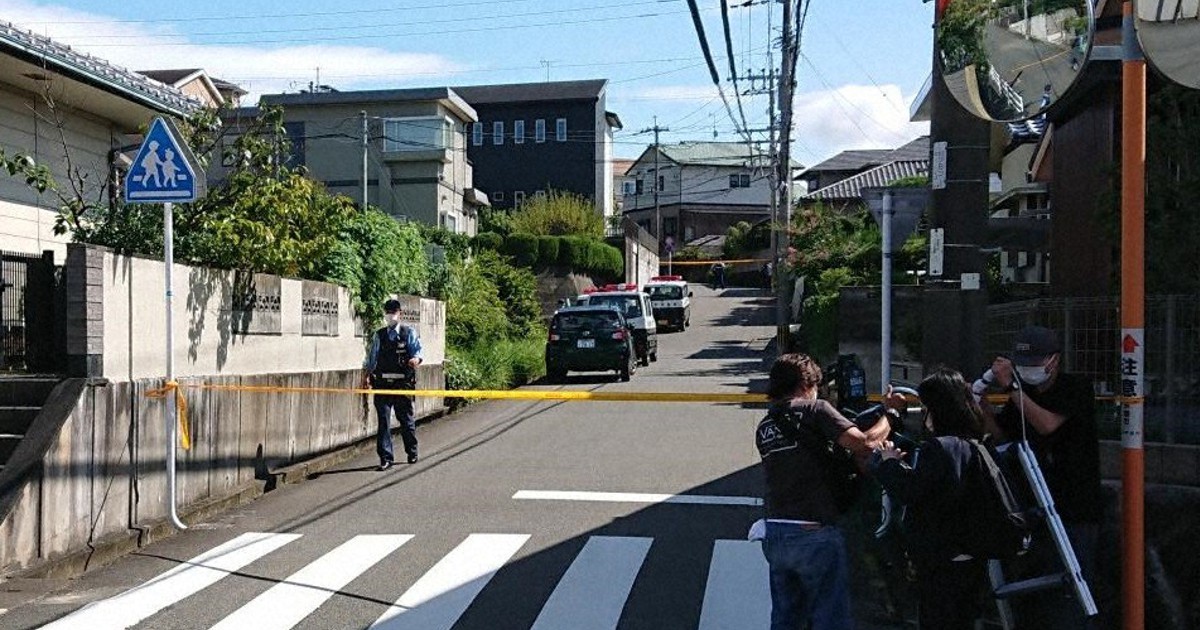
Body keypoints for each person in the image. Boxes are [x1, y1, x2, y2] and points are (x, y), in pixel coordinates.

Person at [755, 353, 903, 630]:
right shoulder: (815, 410)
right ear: (805, 384)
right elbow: (865, 444)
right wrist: (891, 414)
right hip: (814, 532)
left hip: (775, 532)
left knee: (786, 620)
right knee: (829, 618)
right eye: (816, 387)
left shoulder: (765, 426)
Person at [981, 325, 1101, 629]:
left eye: (1034, 364)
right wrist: (979, 406)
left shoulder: (1075, 389)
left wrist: (1012, 389)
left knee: (1072, 594)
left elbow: (1047, 424)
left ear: (1054, 361)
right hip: (1034, 505)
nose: (1028, 372)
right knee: (1036, 597)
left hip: (1074, 508)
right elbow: (1002, 434)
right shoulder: (1023, 393)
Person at [869, 368, 990, 630]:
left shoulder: (939, 448)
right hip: (971, 555)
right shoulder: (974, 445)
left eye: (925, 408)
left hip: (940, 558)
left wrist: (889, 463)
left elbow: (913, 491)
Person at [362, 299, 423, 470]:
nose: (391, 315)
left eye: (394, 311)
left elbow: (418, 352)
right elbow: (372, 358)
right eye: (388, 311)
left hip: (402, 385)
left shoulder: (407, 333)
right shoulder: (379, 335)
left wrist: (415, 360)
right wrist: (366, 376)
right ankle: (386, 458)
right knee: (383, 422)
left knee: (406, 421)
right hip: (382, 384)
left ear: (400, 313)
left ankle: (412, 452)